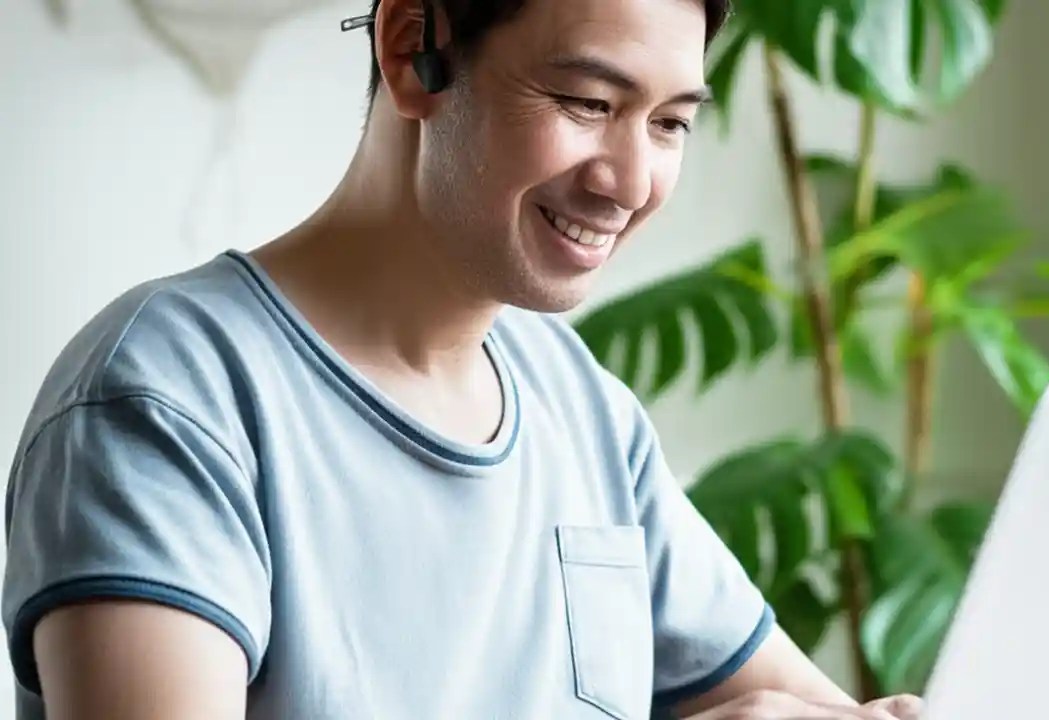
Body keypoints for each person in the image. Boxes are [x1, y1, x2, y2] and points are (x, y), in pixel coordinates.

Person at [1, 0, 925, 717]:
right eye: (588, 102)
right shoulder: (163, 404)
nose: (632, 182)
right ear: (413, 50)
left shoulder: (581, 408)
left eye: (670, 123)